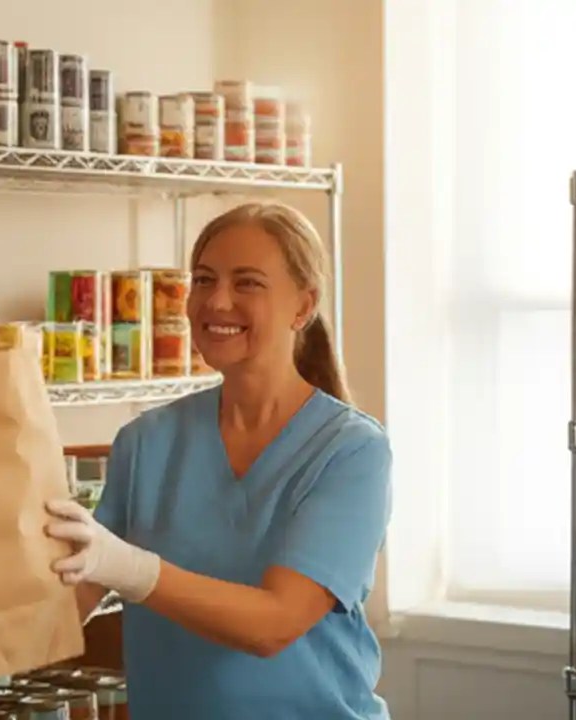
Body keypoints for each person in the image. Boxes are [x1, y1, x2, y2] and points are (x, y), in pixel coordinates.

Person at [46, 201, 392, 719]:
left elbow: (273, 625)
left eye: (247, 282)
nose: (217, 301)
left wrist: (130, 568)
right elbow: (66, 602)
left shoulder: (350, 451)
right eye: (204, 280)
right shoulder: (145, 442)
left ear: (303, 306)